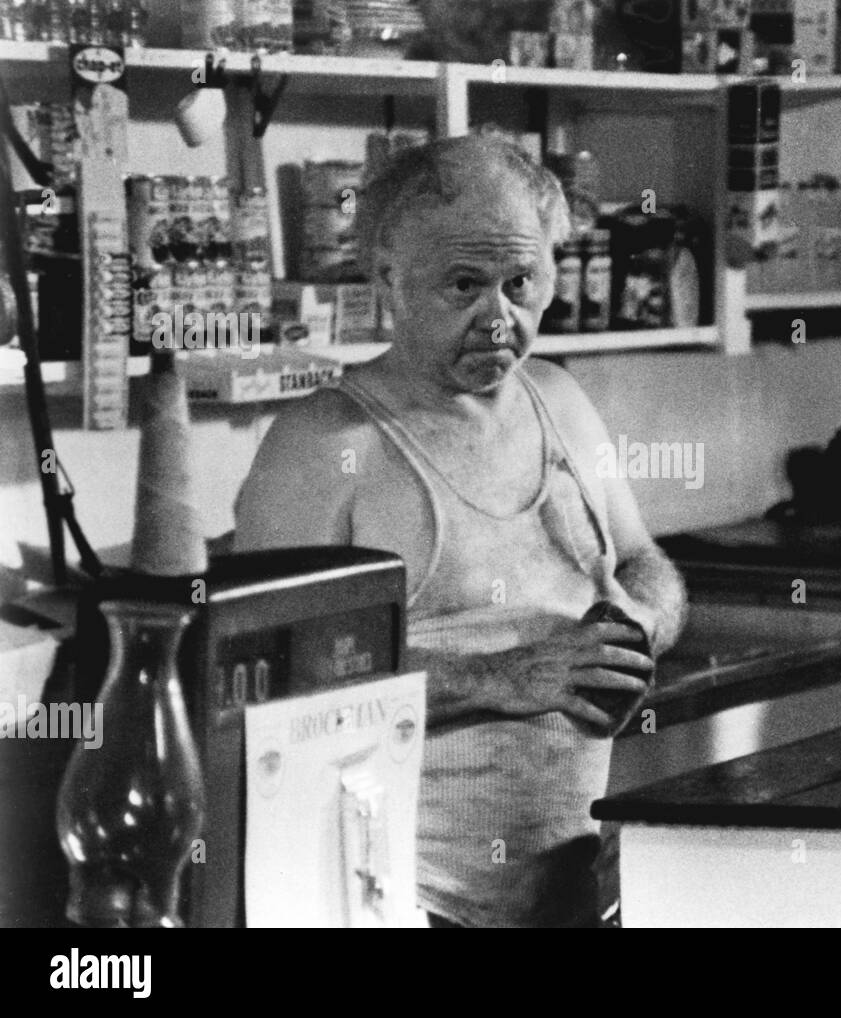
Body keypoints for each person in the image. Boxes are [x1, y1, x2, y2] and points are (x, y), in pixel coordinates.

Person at [233, 135, 687, 927]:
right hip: (405, 904)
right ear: (388, 282)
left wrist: (635, 633)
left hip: (572, 891)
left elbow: (647, 562)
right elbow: (265, 682)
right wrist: (500, 678)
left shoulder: (561, 402)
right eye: (464, 285)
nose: (498, 316)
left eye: (521, 282)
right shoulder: (325, 446)